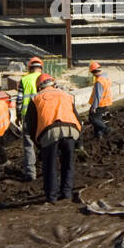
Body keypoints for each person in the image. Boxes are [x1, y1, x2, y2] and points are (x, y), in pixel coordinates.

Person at [26, 73, 81, 203]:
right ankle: (67, 194)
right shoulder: (67, 95)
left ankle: (52, 197)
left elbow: (31, 125)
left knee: (49, 165)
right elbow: (76, 117)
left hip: (49, 132)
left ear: (39, 87)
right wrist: (79, 141)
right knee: (68, 163)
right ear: (53, 83)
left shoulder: (35, 99)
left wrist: (38, 143)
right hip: (71, 130)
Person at [15, 56, 45, 181]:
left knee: (28, 145)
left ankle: (30, 173)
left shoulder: (24, 79)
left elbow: (19, 100)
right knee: (45, 141)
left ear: (29, 68)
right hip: (43, 114)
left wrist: (18, 115)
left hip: (27, 115)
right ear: (41, 68)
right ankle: (46, 168)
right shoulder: (46, 78)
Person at [87, 61, 112, 138]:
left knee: (92, 118)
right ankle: (98, 135)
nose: (93, 75)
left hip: (100, 104)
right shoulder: (106, 78)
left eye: (92, 73)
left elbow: (98, 95)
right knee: (98, 119)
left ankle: (106, 129)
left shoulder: (99, 81)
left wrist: (94, 107)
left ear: (94, 72)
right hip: (106, 102)